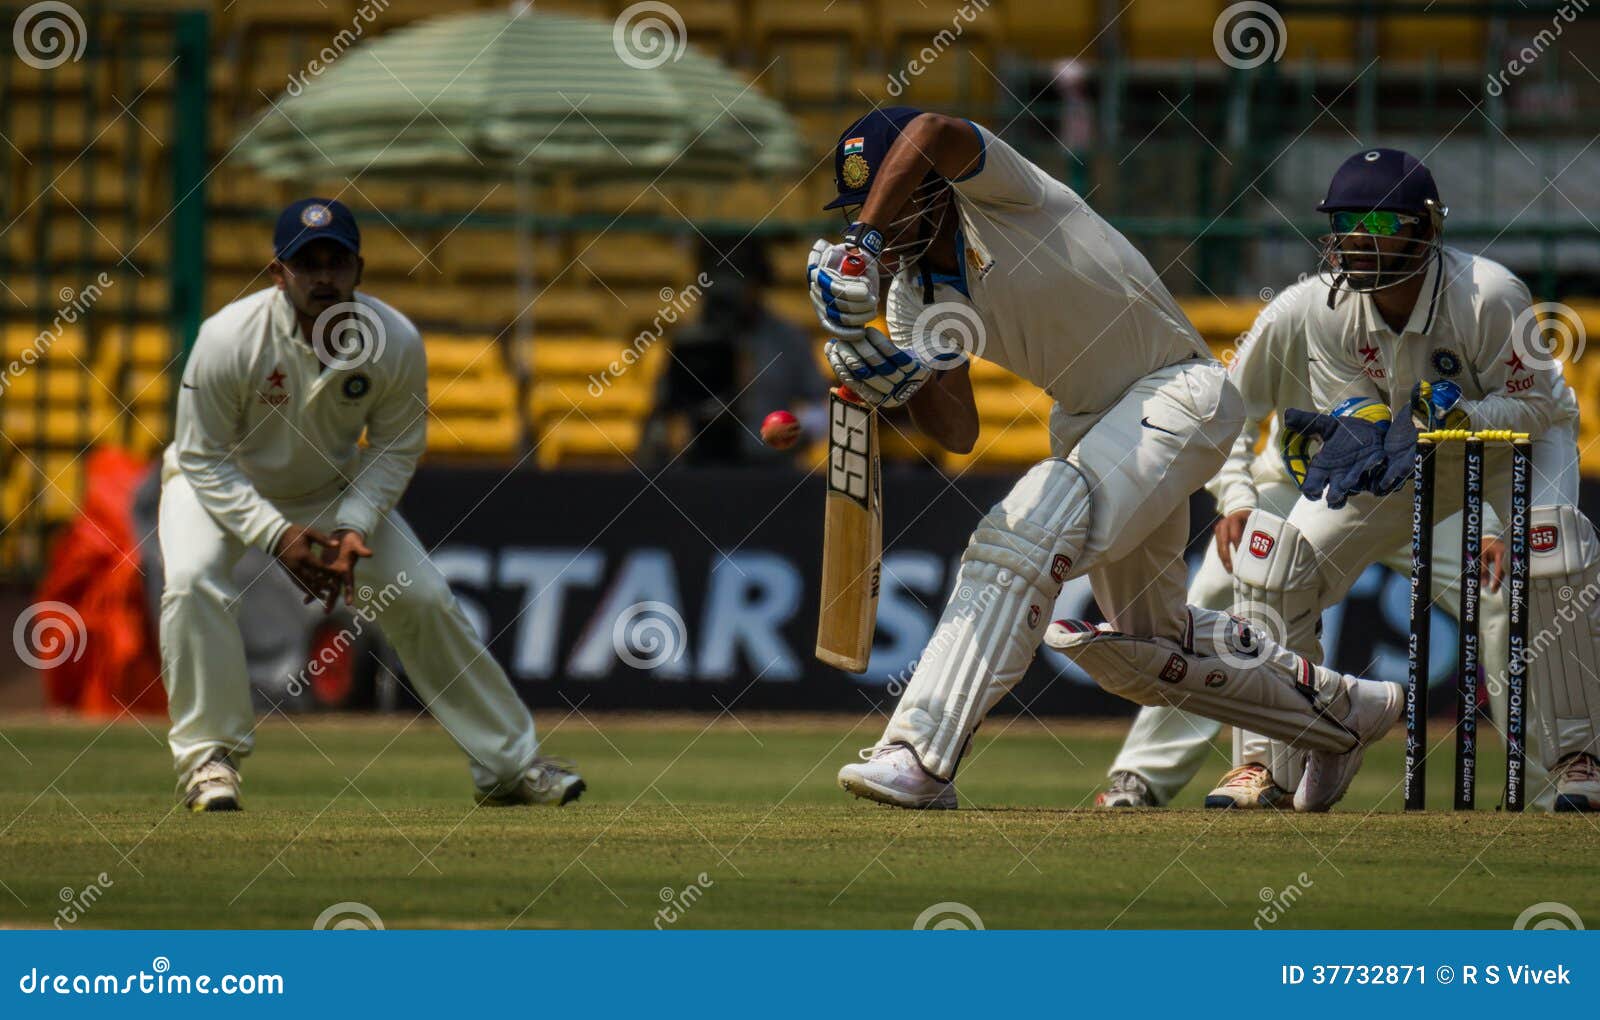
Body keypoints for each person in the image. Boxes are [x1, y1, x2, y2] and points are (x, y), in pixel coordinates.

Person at [806, 107, 1403, 813]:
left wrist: (861, 243)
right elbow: (959, 429)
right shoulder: (916, 301)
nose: (886, 231)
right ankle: (1345, 713)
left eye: (890, 208)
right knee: (1143, 651)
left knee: (1026, 525)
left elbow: (933, 128)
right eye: (863, 215)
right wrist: (901, 385)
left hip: (1179, 390)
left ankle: (919, 754)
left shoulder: (1003, 194)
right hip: (1093, 426)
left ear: (928, 188)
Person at [159, 197, 583, 811]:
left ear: (358, 269)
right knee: (194, 580)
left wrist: (355, 525)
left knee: (424, 597)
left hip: (329, 487)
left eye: (336, 261)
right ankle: (209, 761)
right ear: (279, 273)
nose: (323, 276)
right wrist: (277, 535)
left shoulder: (394, 342)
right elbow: (202, 457)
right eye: (308, 264)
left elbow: (395, 446)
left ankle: (510, 767)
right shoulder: (228, 338)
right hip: (217, 483)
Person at [1234, 148, 1597, 812]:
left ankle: (1576, 762)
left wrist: (1458, 422)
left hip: (1511, 448)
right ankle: (1271, 761)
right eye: (1346, 221)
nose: (1356, 238)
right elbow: (1359, 410)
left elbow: (1542, 405)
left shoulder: (1490, 295)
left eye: (1378, 221)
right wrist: (1363, 430)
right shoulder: (1326, 307)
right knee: (1275, 565)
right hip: (1410, 455)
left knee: (1548, 549)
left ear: (1427, 229)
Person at [1096, 282, 1552, 809]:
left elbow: (1509, 422)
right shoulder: (1297, 309)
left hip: (1427, 488)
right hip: (1298, 486)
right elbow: (1230, 407)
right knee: (1226, 584)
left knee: (1503, 593)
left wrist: (1496, 523)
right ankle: (1153, 776)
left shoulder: (1461, 306)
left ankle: (1549, 780)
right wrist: (1239, 499)